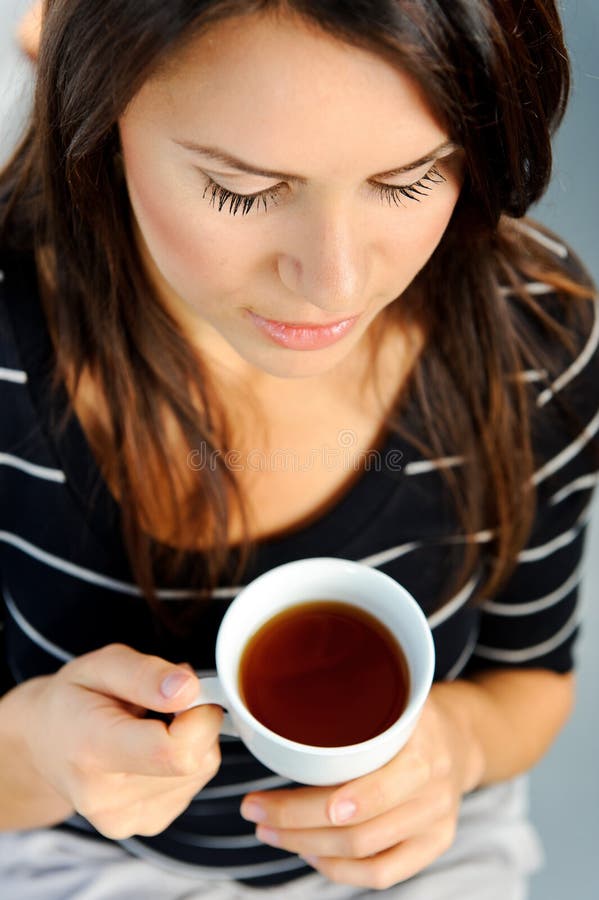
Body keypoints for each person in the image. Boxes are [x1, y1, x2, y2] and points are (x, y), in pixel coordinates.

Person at [1, 1, 598, 898]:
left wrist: (456, 744)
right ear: (96, 105)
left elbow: (531, 680)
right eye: (242, 190)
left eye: (407, 180)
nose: (335, 284)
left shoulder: (534, 349)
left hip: (426, 843)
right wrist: (37, 749)